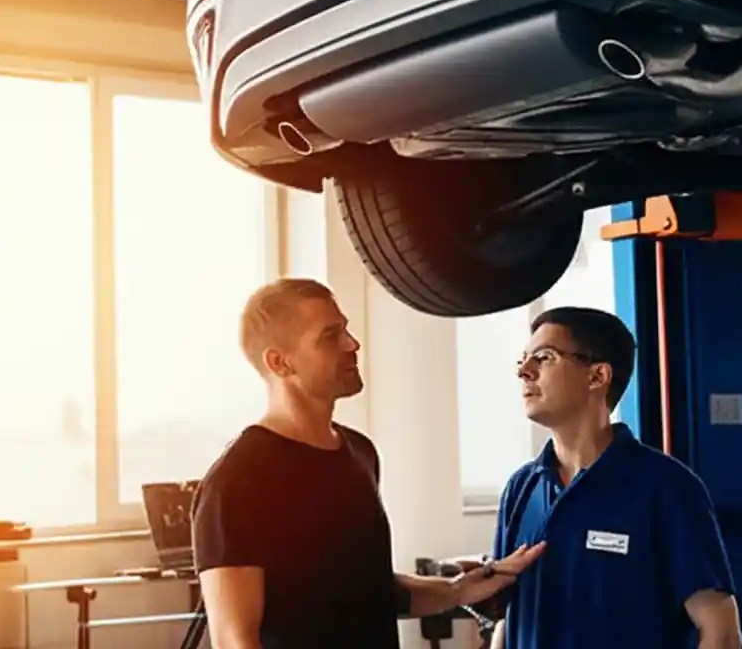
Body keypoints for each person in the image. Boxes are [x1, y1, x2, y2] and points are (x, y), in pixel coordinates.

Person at [191, 278, 545, 649]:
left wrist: (459, 589)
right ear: (280, 362)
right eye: (330, 336)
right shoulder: (236, 481)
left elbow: (372, 591)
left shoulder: (358, 452)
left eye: (346, 329)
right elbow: (235, 639)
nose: (352, 344)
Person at [491, 306, 742, 649]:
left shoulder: (665, 487)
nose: (524, 371)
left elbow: (721, 634)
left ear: (597, 376)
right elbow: (508, 618)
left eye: (544, 357)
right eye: (523, 359)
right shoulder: (521, 489)